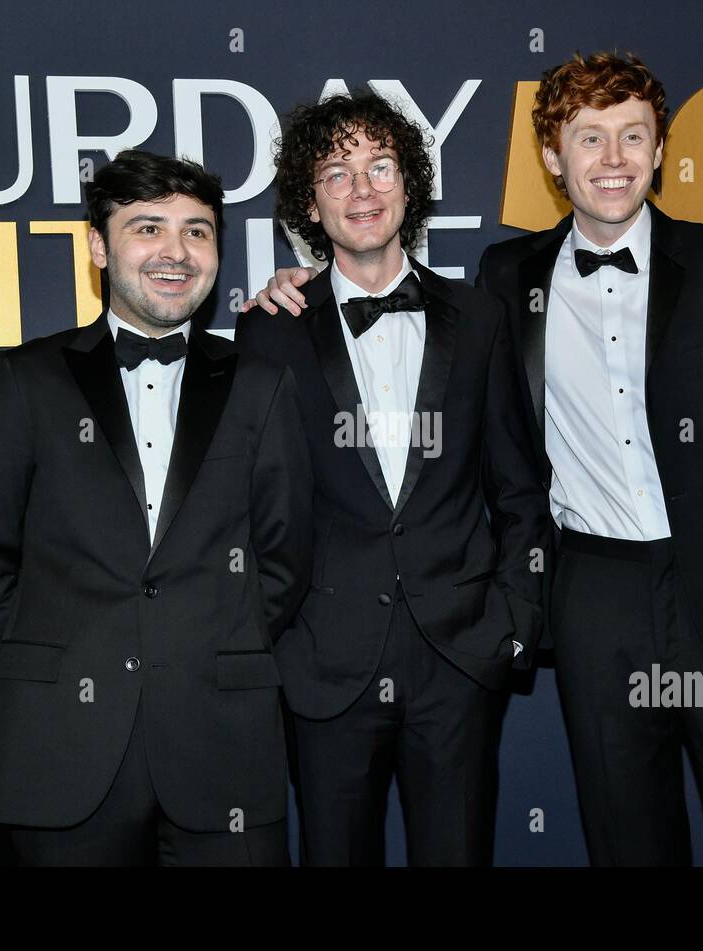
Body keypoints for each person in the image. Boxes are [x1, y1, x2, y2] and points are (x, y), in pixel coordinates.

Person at [246, 53, 703, 866]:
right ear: (553, 157)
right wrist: (294, 289)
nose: (612, 159)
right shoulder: (507, 281)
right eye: (589, 138)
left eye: (632, 136)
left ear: (661, 150)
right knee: (628, 843)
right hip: (592, 598)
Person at [0, 149, 312, 865]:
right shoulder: (28, 378)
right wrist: (49, 666)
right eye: (148, 228)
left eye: (197, 232)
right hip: (62, 741)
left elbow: (285, 553)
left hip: (222, 740)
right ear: (98, 246)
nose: (176, 252)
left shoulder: (261, 382)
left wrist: (211, 646)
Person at [234, 91, 550, 866]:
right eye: (336, 175)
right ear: (310, 203)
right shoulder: (268, 330)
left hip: (460, 657)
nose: (362, 190)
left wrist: (512, 626)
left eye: (380, 167)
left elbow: (519, 488)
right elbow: (248, 505)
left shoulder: (481, 319)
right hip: (323, 663)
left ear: (409, 183)